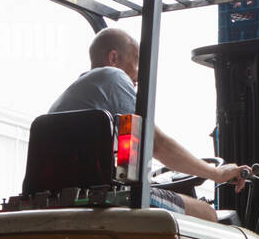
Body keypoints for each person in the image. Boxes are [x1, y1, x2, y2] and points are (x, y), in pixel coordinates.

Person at [49, 28, 245, 221]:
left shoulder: (74, 95)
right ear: (113, 58)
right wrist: (216, 173)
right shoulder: (112, 77)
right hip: (96, 196)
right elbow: (157, 144)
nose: (139, 76)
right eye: (136, 61)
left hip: (55, 195)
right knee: (207, 213)